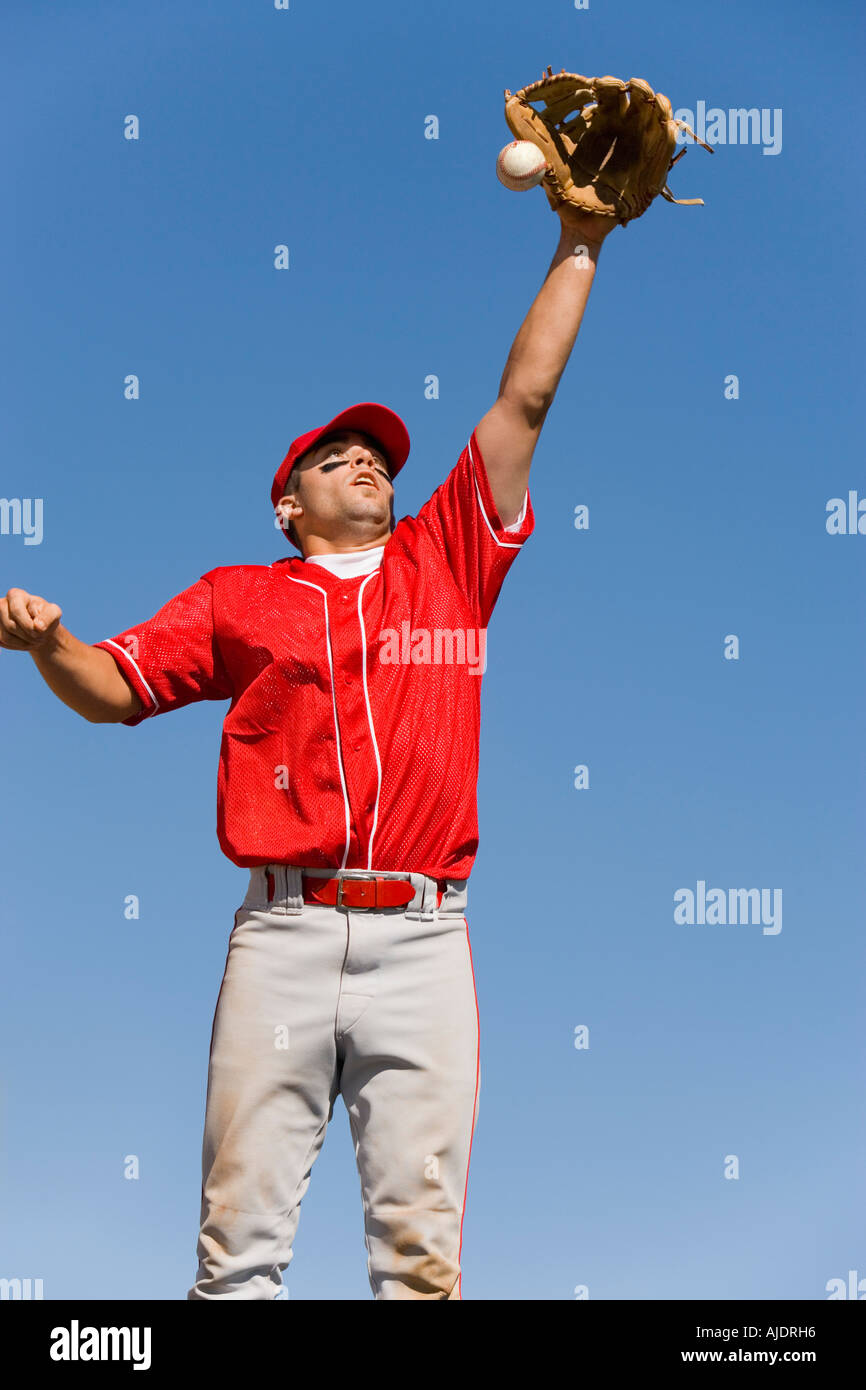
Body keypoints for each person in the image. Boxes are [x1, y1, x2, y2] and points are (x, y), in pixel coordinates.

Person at [0, 204, 615, 1299]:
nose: (367, 464)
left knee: (419, 1264)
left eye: (376, 455)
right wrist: (52, 643)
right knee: (236, 1256)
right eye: (338, 459)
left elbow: (525, 395)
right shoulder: (238, 599)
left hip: (424, 938)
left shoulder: (448, 560)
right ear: (290, 505)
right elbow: (111, 691)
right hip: (280, 932)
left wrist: (579, 242)